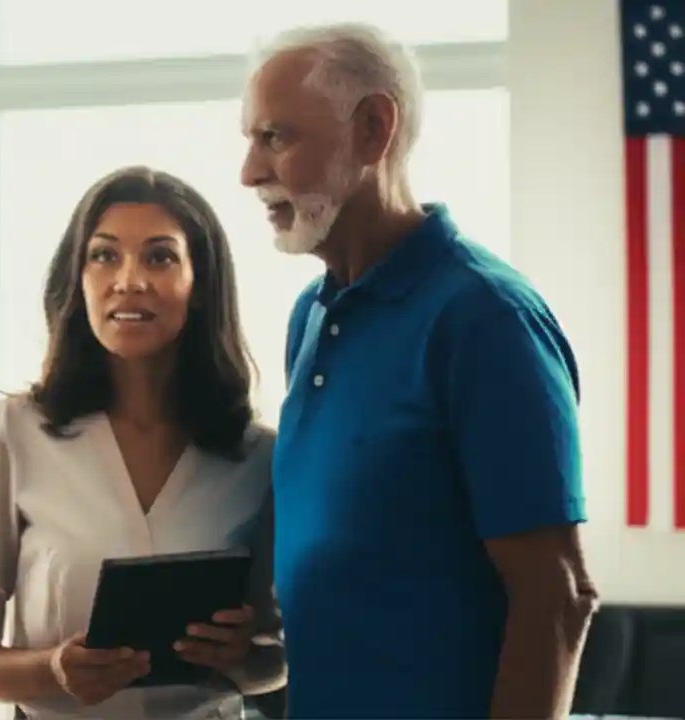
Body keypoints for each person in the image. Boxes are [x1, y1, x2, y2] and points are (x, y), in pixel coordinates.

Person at [240, 22, 598, 719]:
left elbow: (558, 596)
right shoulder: (309, 316)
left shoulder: (485, 318)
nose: (250, 172)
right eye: (251, 140)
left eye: (275, 138)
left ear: (373, 129)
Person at [0, 166, 286, 720]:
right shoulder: (14, 434)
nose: (129, 280)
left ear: (201, 285)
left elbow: (276, 660)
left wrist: (244, 657)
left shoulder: (256, 457)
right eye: (104, 255)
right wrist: (51, 669)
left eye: (160, 257)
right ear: (78, 277)